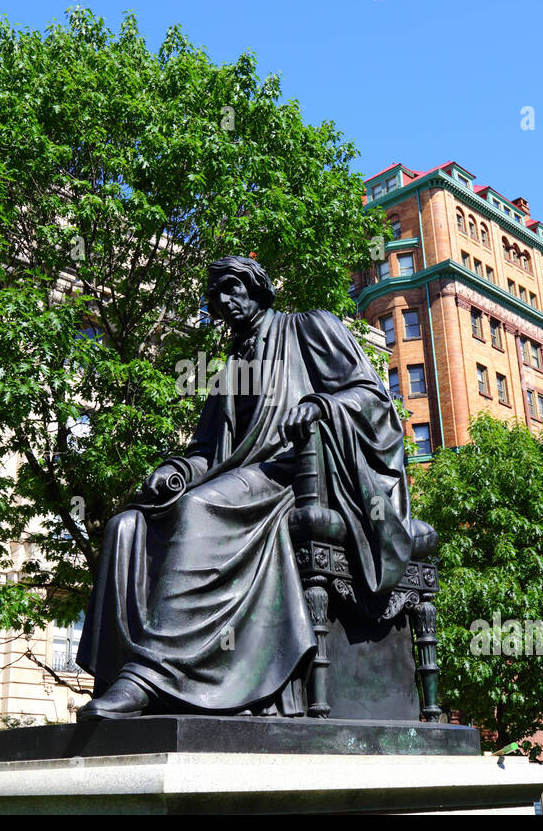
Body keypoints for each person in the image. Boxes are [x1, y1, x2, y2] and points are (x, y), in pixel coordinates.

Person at [76, 255, 413, 720]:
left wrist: (319, 406)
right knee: (126, 525)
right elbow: (207, 451)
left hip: (302, 474)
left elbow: (374, 400)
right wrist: (176, 470)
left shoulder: (311, 327)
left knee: (199, 509)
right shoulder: (229, 369)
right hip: (240, 476)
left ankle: (153, 676)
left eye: (232, 288)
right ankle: (122, 676)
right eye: (215, 296)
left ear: (258, 288)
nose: (223, 301)